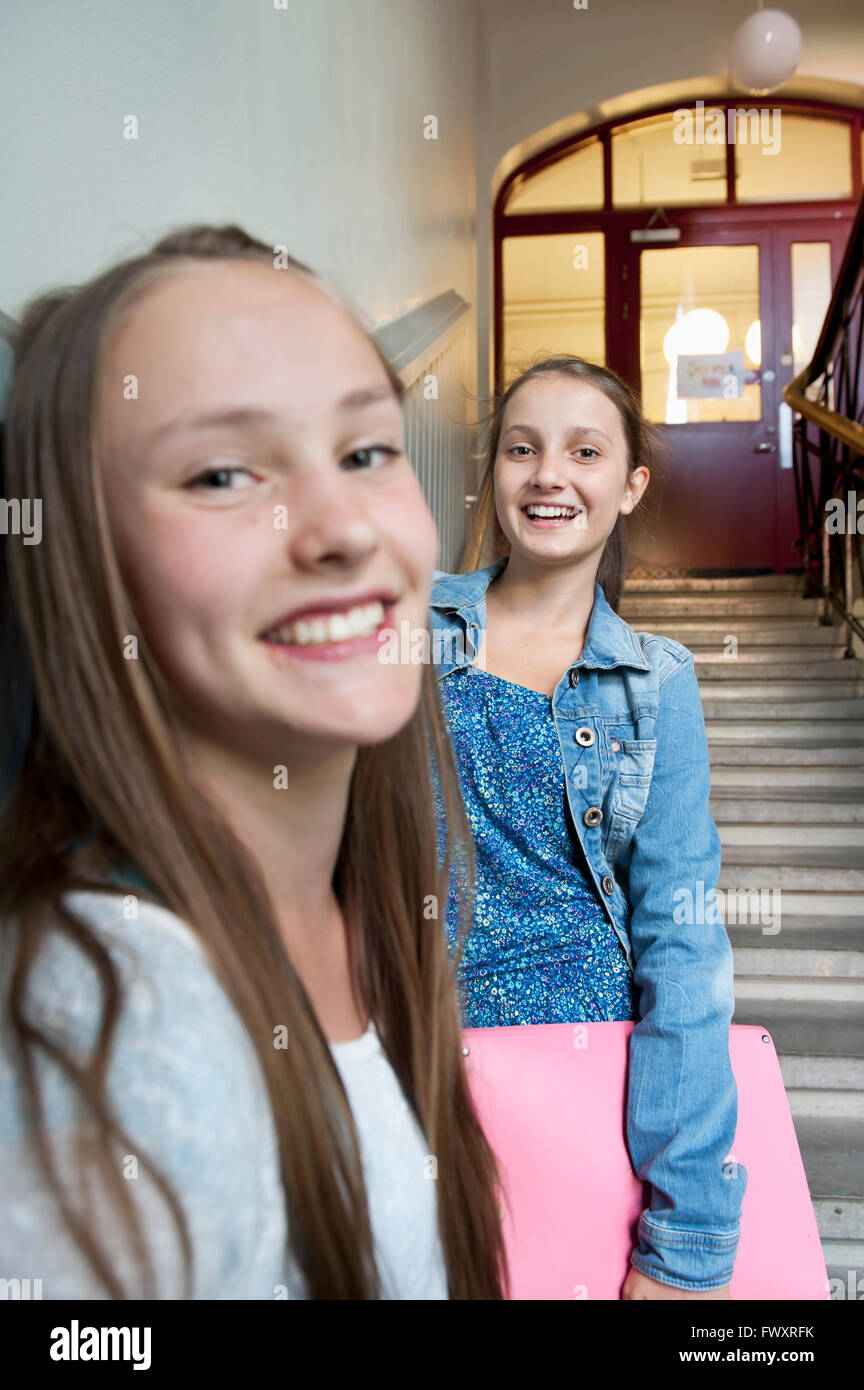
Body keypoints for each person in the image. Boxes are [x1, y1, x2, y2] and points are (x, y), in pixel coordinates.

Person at [0, 224, 507, 1300]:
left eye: (367, 452)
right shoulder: (114, 1035)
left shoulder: (382, 901)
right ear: (89, 567)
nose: (338, 529)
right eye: (223, 474)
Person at [428, 355, 747, 1299]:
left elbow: (683, 938)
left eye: (585, 451)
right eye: (521, 449)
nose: (548, 476)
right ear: (494, 475)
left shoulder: (659, 684)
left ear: (630, 485)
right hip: (410, 1050)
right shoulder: (408, 626)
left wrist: (687, 1233)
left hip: (584, 1075)